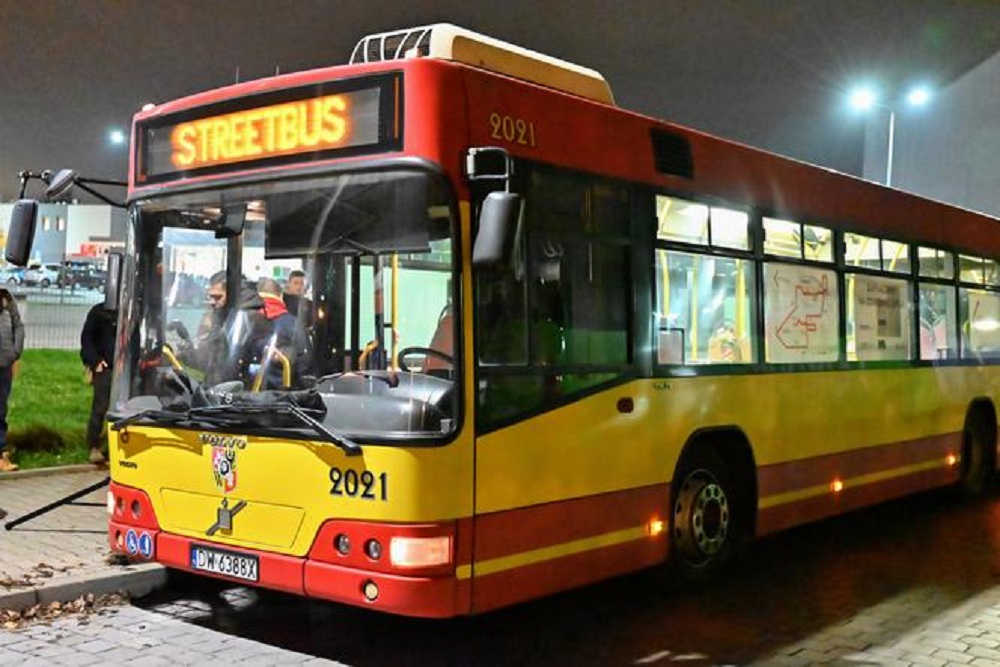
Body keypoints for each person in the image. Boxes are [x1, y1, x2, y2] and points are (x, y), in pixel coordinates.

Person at [80, 302, 117, 464]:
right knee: (100, 407)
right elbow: (87, 340)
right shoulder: (99, 312)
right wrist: (95, 362)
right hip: (105, 368)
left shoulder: (132, 312)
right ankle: (94, 446)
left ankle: (114, 448)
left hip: (125, 368)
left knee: (123, 409)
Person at [0, 289, 24, 472]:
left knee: (1, 409)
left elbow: (18, 326)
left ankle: (1, 452)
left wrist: (15, 352)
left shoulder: (6, 297)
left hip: (4, 364)